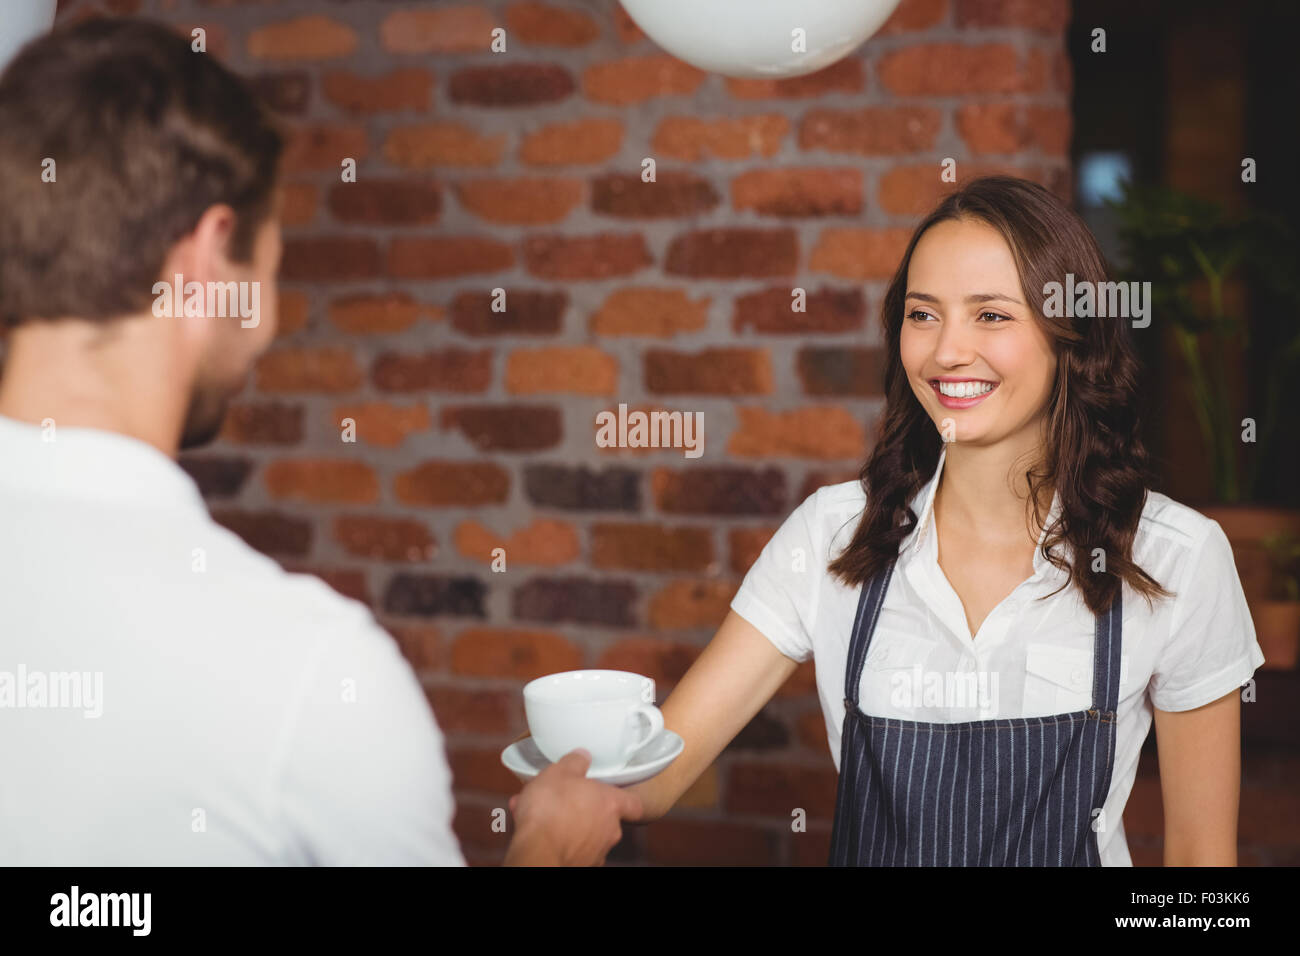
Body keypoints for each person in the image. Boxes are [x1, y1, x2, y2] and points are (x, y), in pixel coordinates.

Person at [0, 16, 640, 866]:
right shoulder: (311, 673)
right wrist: (550, 849)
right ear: (207, 263)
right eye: (269, 271)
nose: (265, 321)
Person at [627, 175, 1265, 866]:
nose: (947, 352)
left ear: (1069, 336)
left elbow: (1202, 861)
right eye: (923, 314)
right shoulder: (831, 538)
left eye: (991, 315)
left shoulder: (1176, 557)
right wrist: (587, 795)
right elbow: (659, 772)